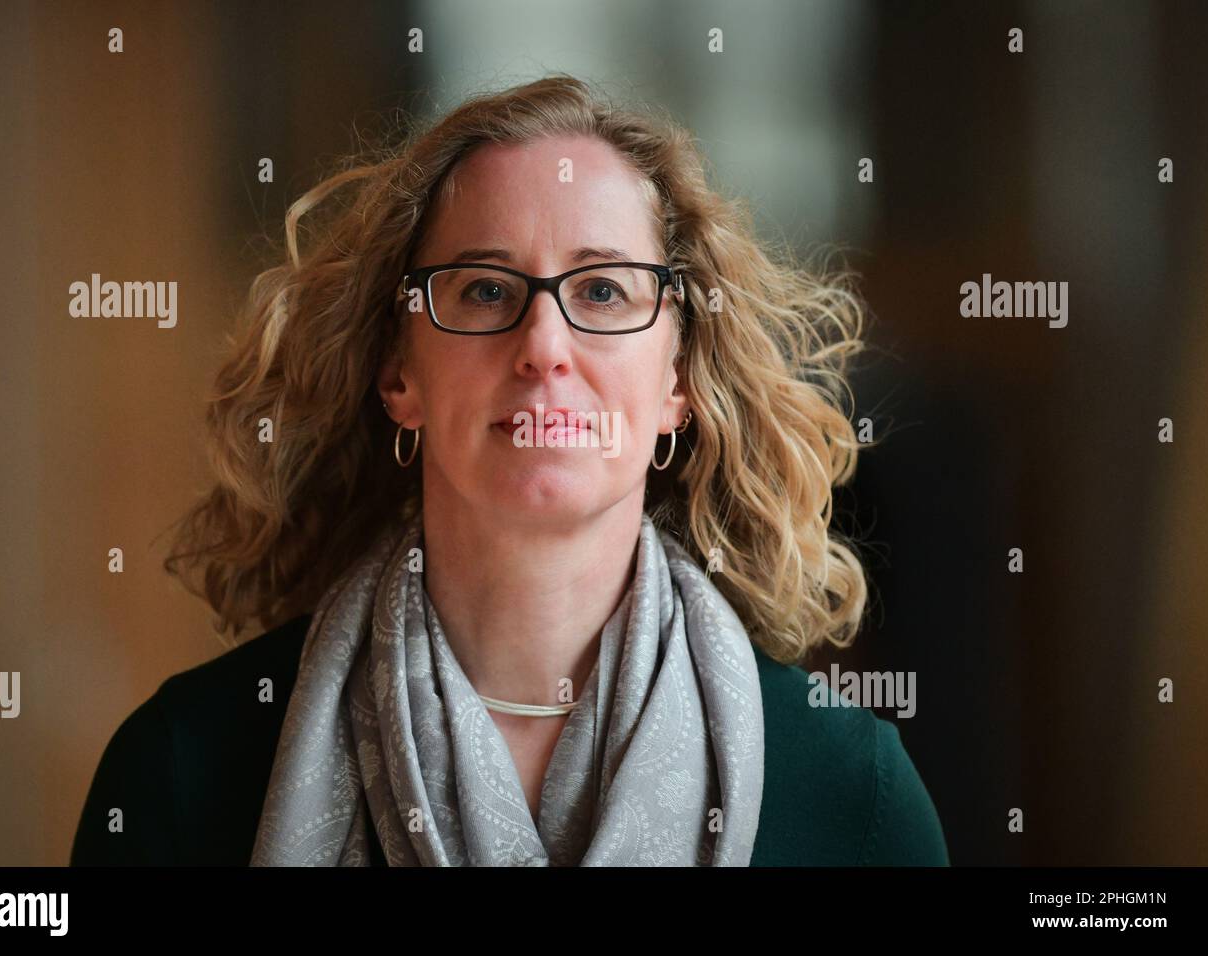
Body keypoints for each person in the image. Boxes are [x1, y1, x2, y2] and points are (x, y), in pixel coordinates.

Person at [71, 74, 949, 867]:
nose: (544, 348)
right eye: (485, 290)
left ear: (679, 379)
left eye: (603, 291)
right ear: (398, 374)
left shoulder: (851, 797)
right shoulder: (183, 770)